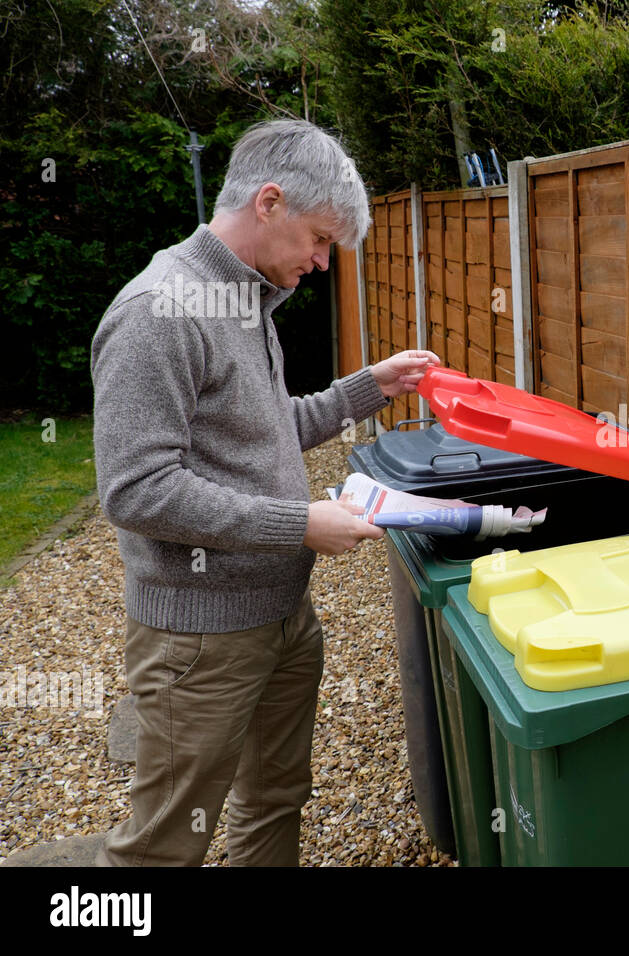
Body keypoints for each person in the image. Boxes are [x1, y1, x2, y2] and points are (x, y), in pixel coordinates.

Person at [90, 119, 439, 866]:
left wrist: (364, 389)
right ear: (270, 203)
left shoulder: (245, 299)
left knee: (275, 802)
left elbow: (259, 431)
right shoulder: (159, 311)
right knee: (161, 846)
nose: (322, 261)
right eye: (319, 240)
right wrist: (298, 523)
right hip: (199, 641)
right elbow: (137, 490)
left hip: (282, 619)